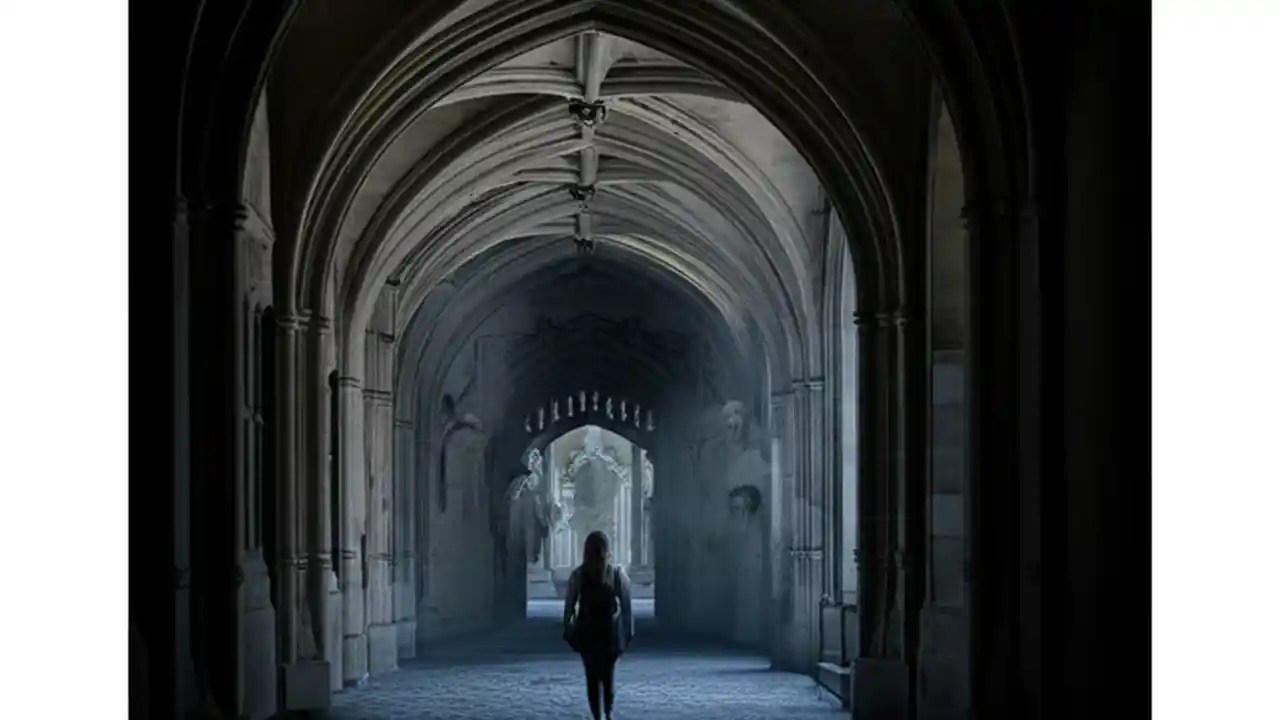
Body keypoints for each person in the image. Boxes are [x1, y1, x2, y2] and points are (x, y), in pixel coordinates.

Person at [563, 530, 634, 720]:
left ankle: (598, 716)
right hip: (609, 632)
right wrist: (627, 633)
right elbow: (626, 606)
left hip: (587, 631)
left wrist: (568, 628)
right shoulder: (616, 573)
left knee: (592, 677)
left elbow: (570, 604)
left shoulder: (579, 574)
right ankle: (608, 713)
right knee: (607, 676)